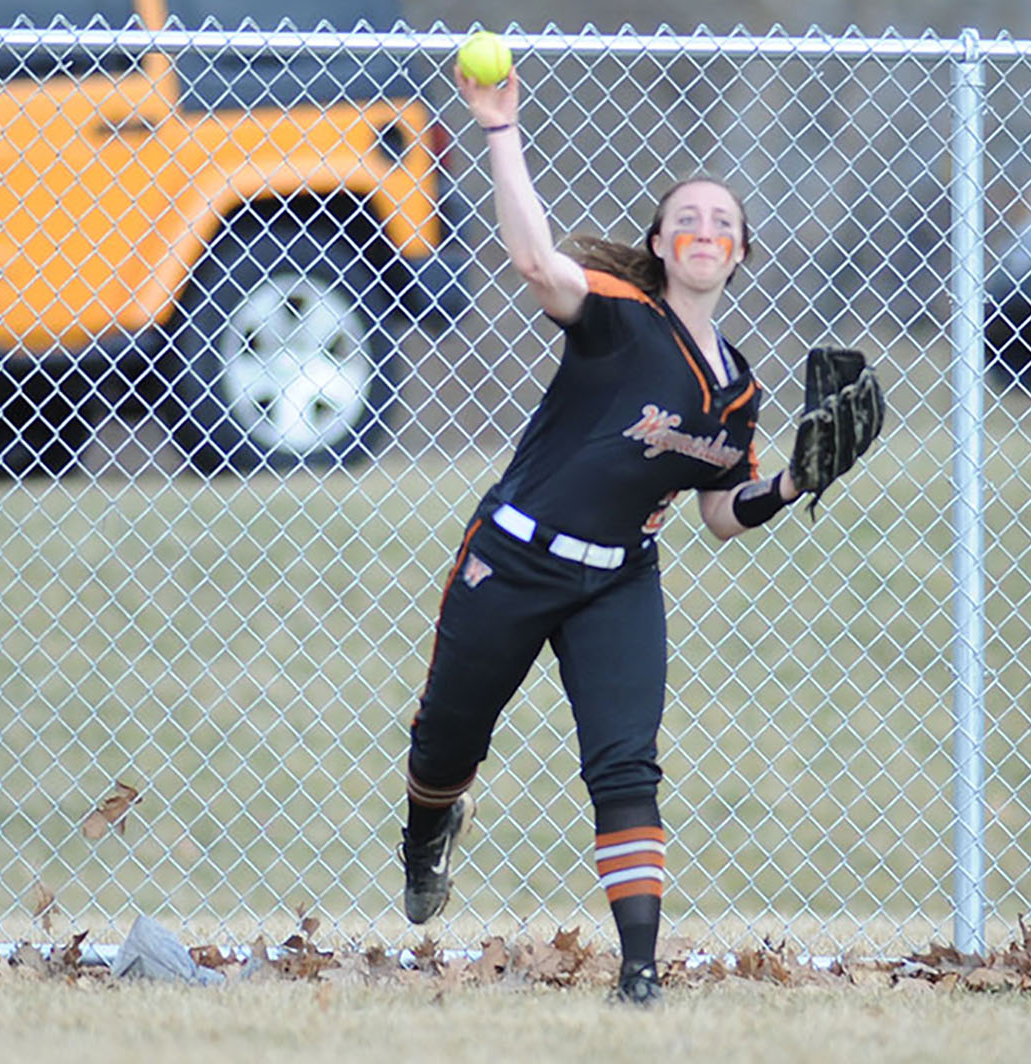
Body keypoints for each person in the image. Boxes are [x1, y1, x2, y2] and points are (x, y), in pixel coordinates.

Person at [397, 56, 876, 1008]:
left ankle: (641, 974)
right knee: (448, 741)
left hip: (619, 579)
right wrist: (499, 129)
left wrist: (792, 482)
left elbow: (721, 513)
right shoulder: (620, 317)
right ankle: (427, 832)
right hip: (514, 556)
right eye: (686, 217)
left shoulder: (739, 390)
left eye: (722, 222)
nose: (705, 229)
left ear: (740, 252)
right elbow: (536, 262)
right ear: (659, 244)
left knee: (625, 763)